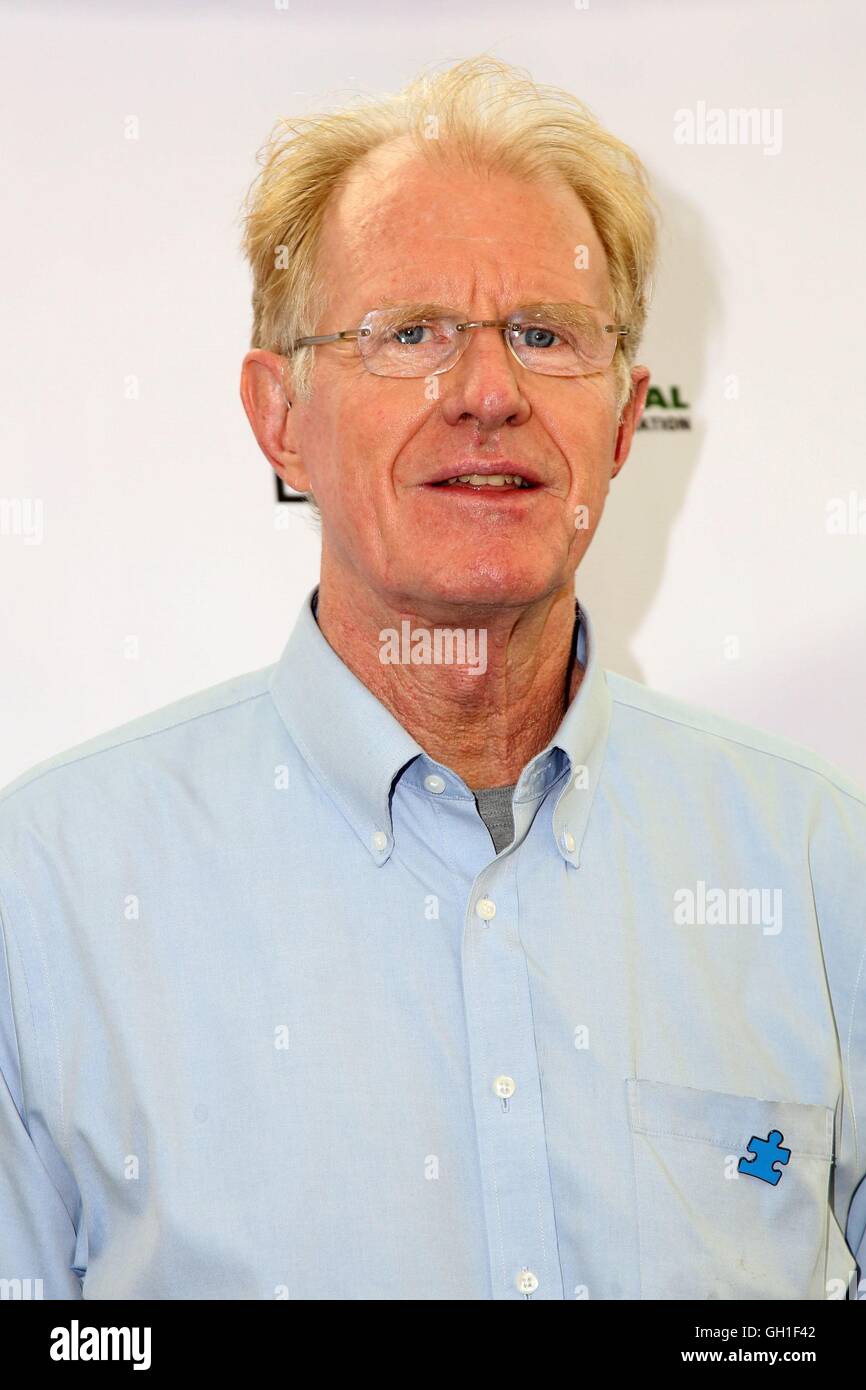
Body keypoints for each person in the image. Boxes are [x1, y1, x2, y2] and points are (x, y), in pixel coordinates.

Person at [1, 56, 863, 1302]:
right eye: (409, 334)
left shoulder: (814, 869)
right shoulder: (48, 898)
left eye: (543, 334)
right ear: (278, 417)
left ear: (623, 423)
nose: (488, 393)